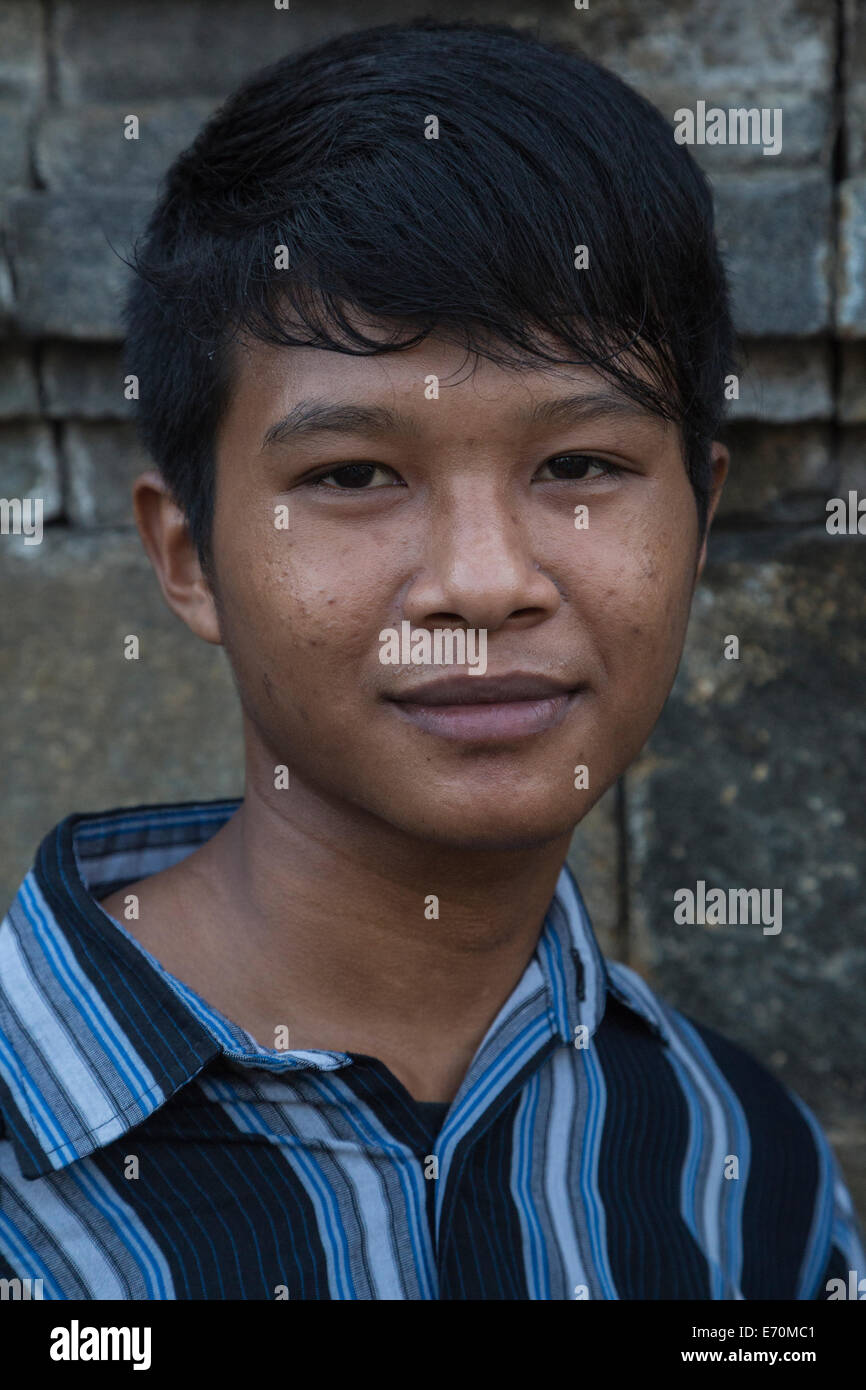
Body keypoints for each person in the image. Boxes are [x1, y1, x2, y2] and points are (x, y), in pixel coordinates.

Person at [0, 17, 861, 1301]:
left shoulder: (736, 1166)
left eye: (578, 466)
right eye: (352, 474)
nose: (484, 581)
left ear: (696, 523)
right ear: (188, 557)